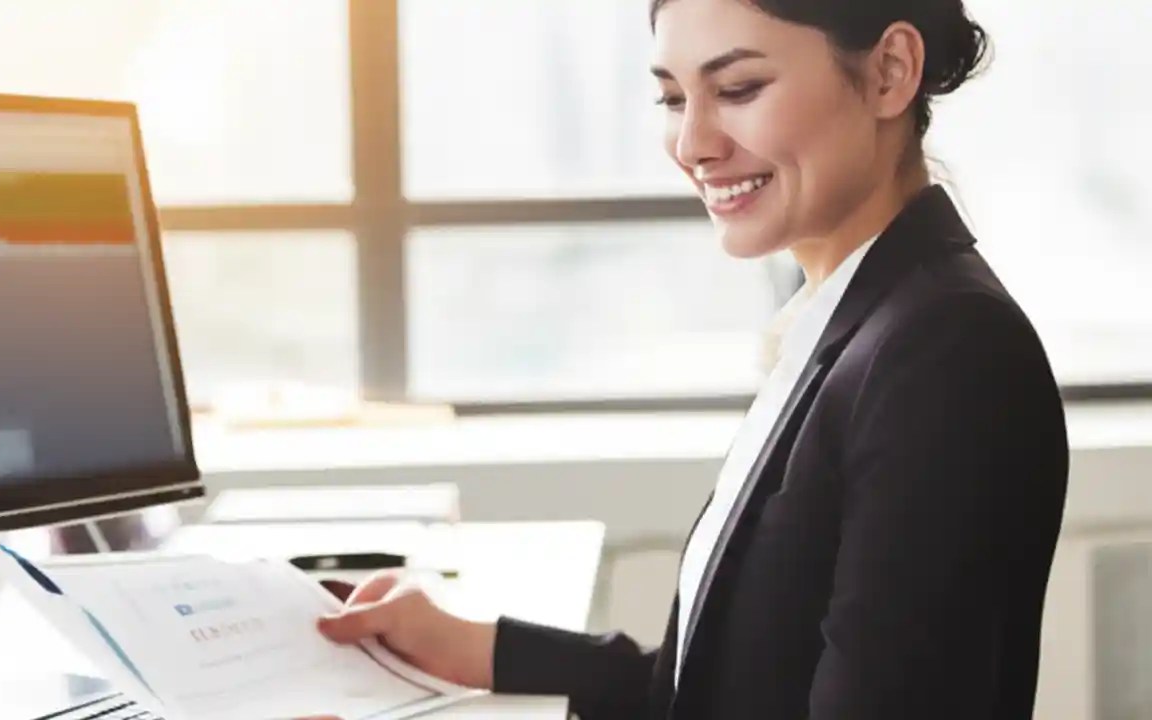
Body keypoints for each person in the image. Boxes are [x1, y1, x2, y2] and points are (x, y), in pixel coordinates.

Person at [310, 0, 1069, 718]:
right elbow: (720, 687)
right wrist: (475, 647)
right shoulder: (845, 323)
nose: (692, 144)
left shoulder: (943, 354)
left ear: (889, 72)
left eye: (738, 88)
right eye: (674, 99)